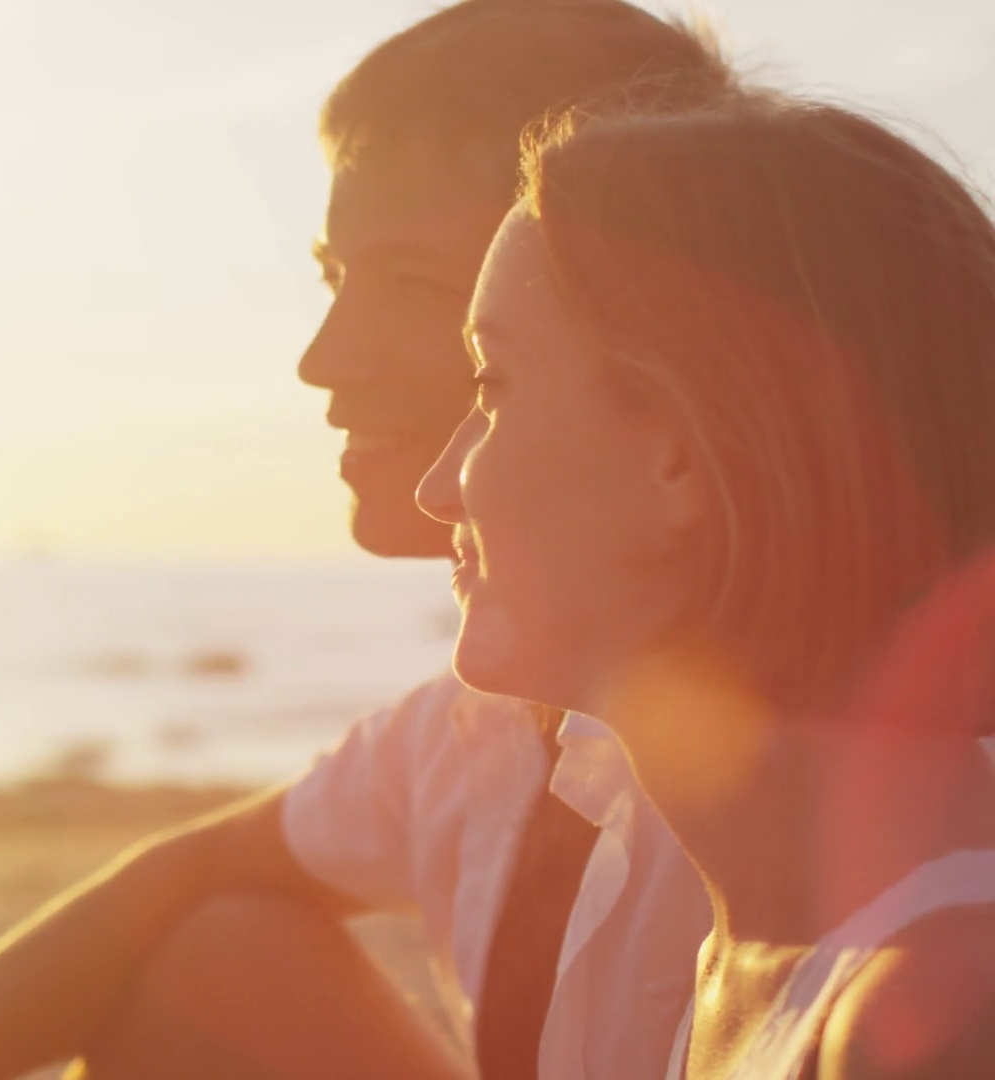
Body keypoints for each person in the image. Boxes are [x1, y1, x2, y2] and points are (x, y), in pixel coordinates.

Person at [0, 4, 723, 1078]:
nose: (322, 358)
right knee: (217, 954)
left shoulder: (817, 758)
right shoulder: (471, 733)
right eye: (334, 278)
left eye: (414, 286)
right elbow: (181, 879)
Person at [416, 87, 995, 1078]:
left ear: (678, 459)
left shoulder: (930, 1019)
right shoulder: (760, 954)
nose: (435, 488)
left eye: (492, 387)